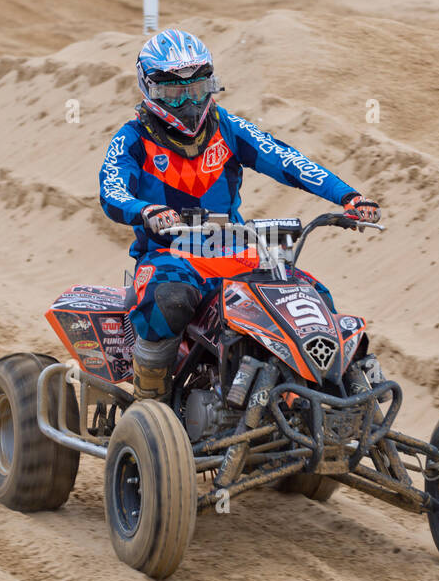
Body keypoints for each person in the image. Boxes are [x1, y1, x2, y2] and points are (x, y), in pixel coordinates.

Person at [99, 28, 381, 400]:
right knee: (169, 300)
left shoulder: (229, 128)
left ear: (212, 84)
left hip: (236, 250)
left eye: (197, 89)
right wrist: (146, 209)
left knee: (314, 297)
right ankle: (151, 404)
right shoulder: (132, 139)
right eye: (174, 92)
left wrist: (348, 196)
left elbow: (288, 160)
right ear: (149, 89)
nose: (188, 102)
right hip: (169, 256)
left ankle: (332, 397)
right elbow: (111, 191)